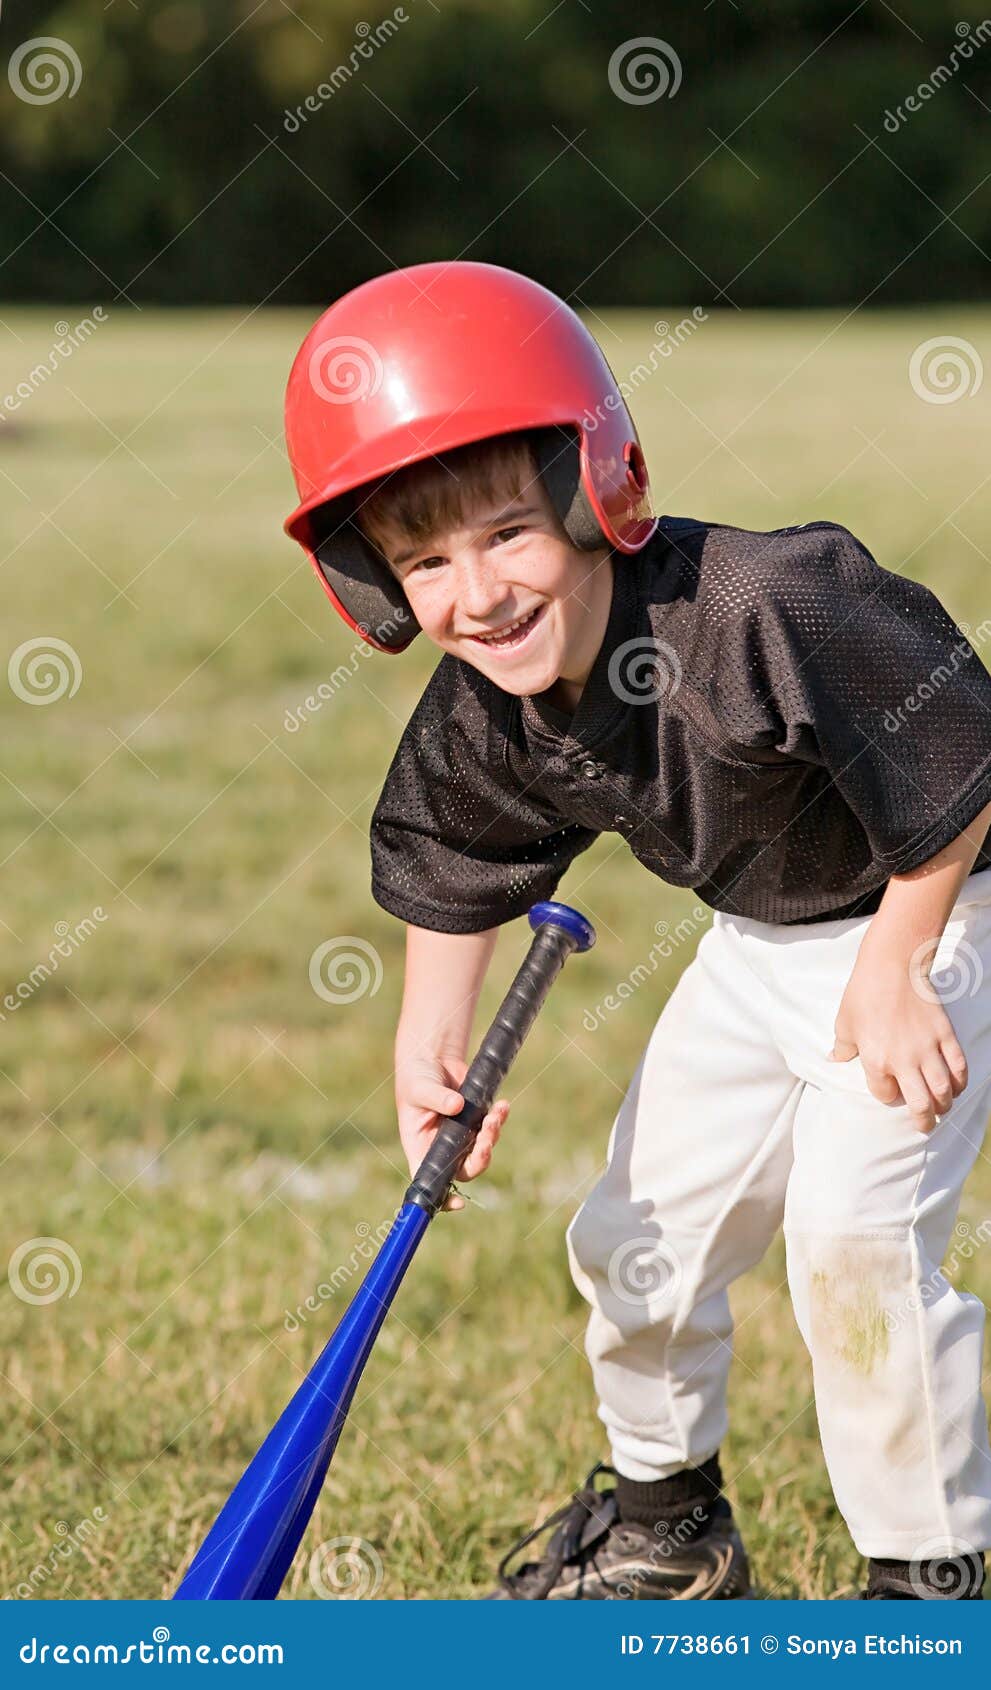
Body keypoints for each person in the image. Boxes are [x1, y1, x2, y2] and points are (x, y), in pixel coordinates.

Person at [283, 261, 991, 1601]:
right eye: (424, 562)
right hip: (759, 940)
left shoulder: (765, 606)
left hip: (934, 908)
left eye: (505, 534)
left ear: (597, 482)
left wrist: (899, 969)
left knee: (854, 1238)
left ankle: (927, 1574)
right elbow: (461, 851)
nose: (475, 592)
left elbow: (960, 755)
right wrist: (429, 1049)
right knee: (635, 1228)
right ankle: (668, 1527)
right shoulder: (487, 701)